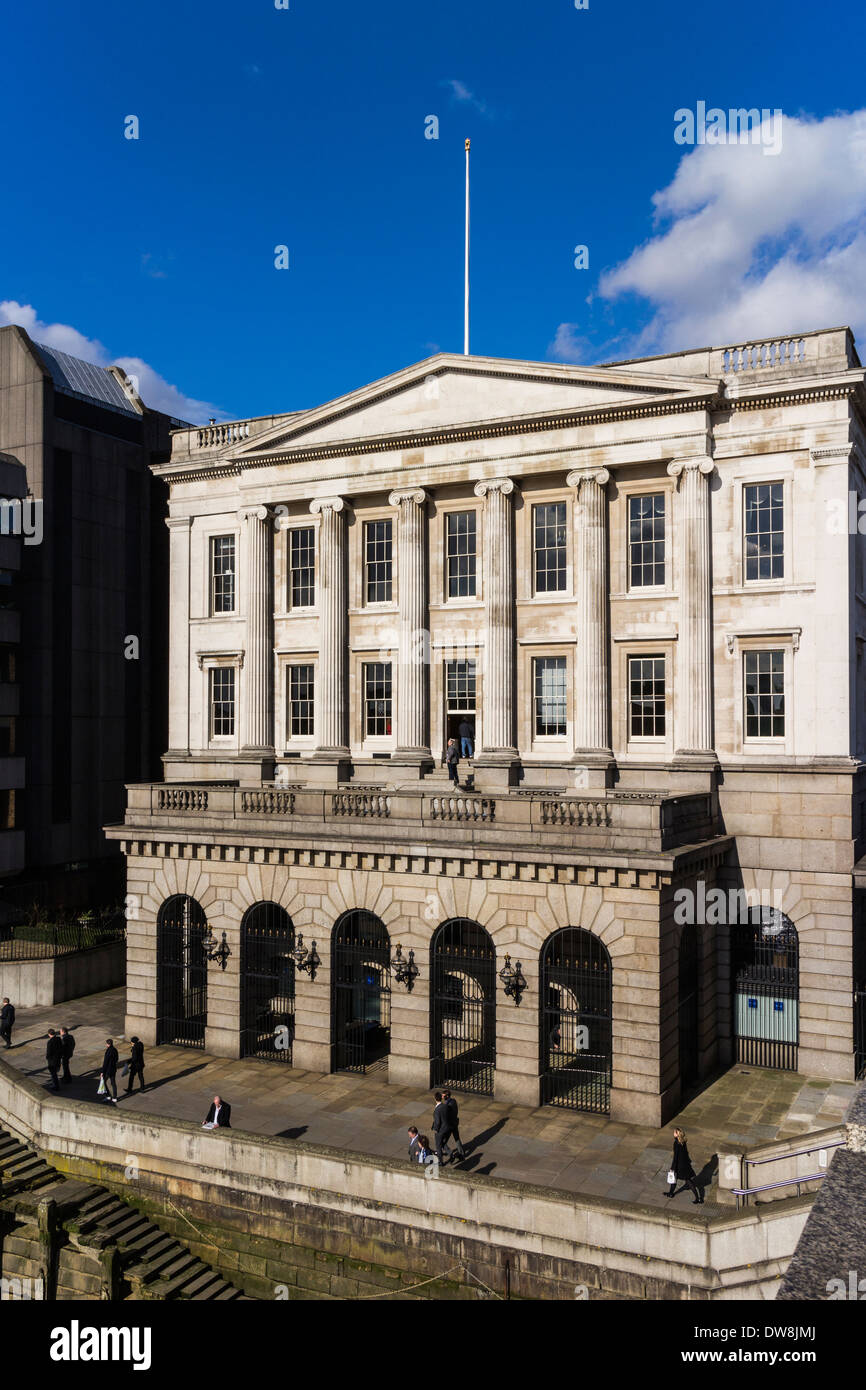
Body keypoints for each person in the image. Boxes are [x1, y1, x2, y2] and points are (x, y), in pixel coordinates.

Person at [666, 1126, 703, 1204]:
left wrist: (672, 1168)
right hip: (685, 1164)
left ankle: (671, 1193)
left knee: (678, 1180)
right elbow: (686, 1153)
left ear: (677, 1134)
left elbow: (675, 1157)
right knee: (686, 1181)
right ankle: (671, 1193)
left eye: (674, 1132)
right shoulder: (683, 1141)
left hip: (680, 1165)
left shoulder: (676, 1143)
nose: (673, 1133)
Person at [442, 1090, 466, 1160]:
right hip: (455, 1123)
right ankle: (461, 1153)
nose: (442, 1097)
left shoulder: (447, 1105)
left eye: (443, 1096)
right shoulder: (454, 1101)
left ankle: (450, 1153)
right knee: (457, 1139)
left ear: (447, 1096)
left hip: (449, 1125)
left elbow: (446, 1116)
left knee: (442, 1142)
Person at [431, 1090, 453, 1165]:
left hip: (441, 1130)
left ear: (435, 1099)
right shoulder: (445, 1106)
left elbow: (437, 1122)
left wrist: (436, 1130)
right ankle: (451, 1154)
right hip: (448, 1128)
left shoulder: (437, 1110)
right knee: (443, 1143)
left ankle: (440, 1161)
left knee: (438, 1146)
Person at [101, 1038, 119, 1104]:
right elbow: (117, 1059)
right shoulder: (115, 1050)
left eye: (106, 1044)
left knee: (104, 1082)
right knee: (113, 1083)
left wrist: (102, 1071)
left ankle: (108, 1096)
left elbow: (105, 1062)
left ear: (108, 1044)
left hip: (108, 1070)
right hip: (113, 1069)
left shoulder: (108, 1051)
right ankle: (114, 1097)